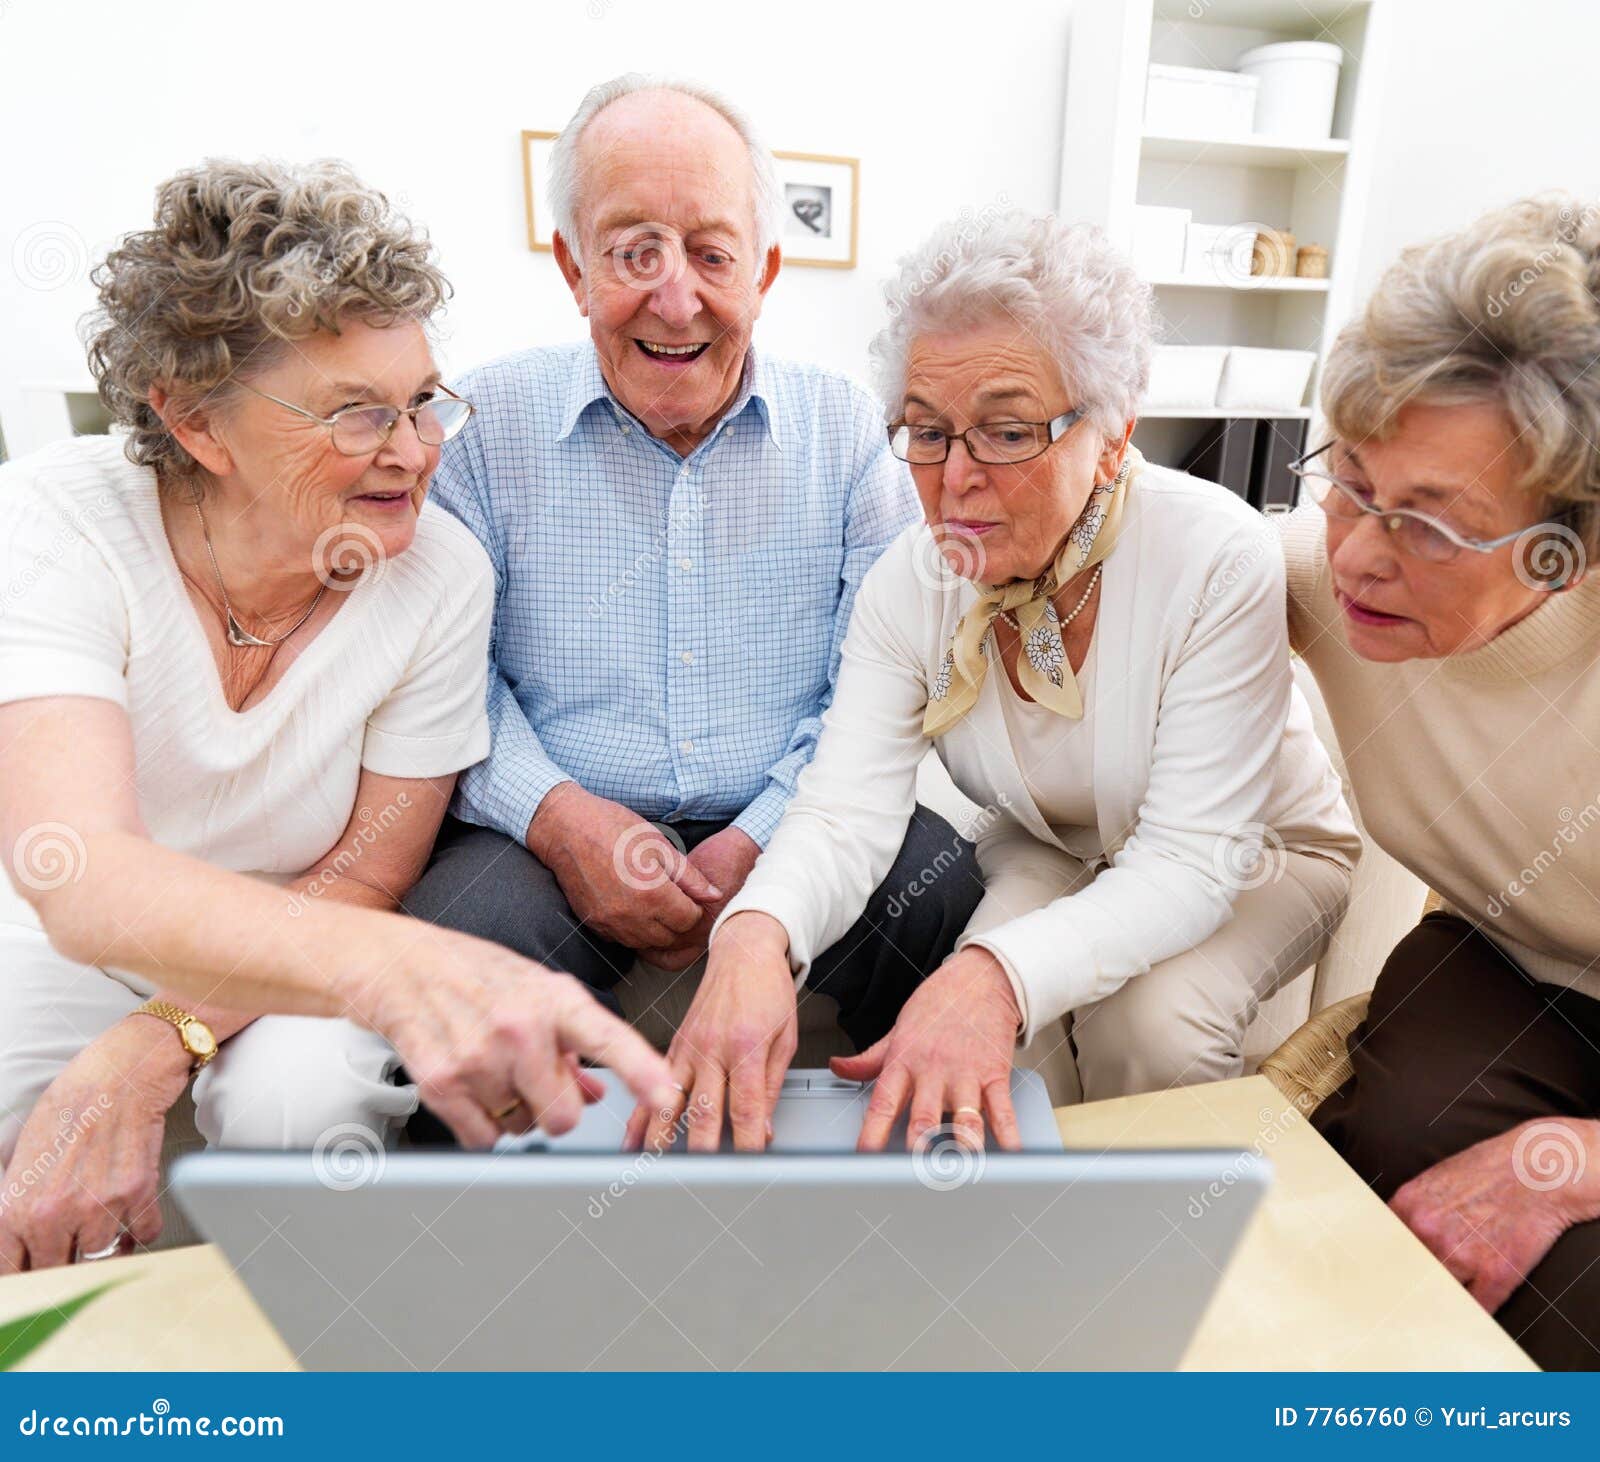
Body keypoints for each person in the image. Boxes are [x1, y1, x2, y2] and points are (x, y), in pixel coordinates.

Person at [0, 159, 674, 1273]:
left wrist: (164, 1032)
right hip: (66, 942)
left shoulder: (439, 574)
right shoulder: (56, 523)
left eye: (421, 403)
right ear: (196, 421)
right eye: (358, 414)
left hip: (298, 942)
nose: (413, 454)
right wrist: (398, 970)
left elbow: (364, 872)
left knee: (303, 1106)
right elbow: (81, 875)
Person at [660, 210, 1359, 1152]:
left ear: (1111, 434)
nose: (955, 480)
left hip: (1251, 854)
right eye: (926, 431)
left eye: (1005, 432)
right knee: (994, 1047)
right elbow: (842, 812)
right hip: (1056, 843)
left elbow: (1189, 861)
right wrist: (754, 937)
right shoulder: (910, 581)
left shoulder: (1215, 558)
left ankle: (1152, 1270)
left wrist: (994, 973)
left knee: (1149, 1026)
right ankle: (1031, 1259)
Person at [405, 75, 982, 1136]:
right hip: (550, 823)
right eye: (633, 251)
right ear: (573, 266)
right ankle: (477, 1258)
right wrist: (564, 821)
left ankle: (905, 1200)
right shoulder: (483, 431)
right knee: (455, 931)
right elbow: (444, 678)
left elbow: (884, 683)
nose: (676, 300)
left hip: (796, 808)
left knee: (937, 884)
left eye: (712, 255)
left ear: (762, 271)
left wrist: (762, 839)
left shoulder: (852, 434)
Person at [1282, 195, 1600, 1371]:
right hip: (1513, 959)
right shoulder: (1328, 572)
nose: (1358, 549)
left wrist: (1556, 1162)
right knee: (1396, 1149)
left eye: (1428, 522)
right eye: (1351, 477)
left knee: (1568, 1288)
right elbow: (1149, 554)